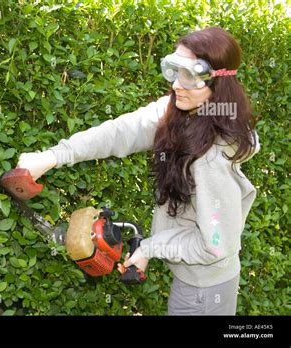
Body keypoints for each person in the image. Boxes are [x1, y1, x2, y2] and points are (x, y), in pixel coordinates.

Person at [15, 27, 260, 315]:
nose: (177, 85)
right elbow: (122, 131)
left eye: (189, 75)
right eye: (173, 71)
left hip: (204, 293)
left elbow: (217, 244)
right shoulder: (182, 112)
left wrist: (149, 248)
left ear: (217, 84)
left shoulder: (212, 160)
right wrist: (54, 156)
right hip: (191, 280)